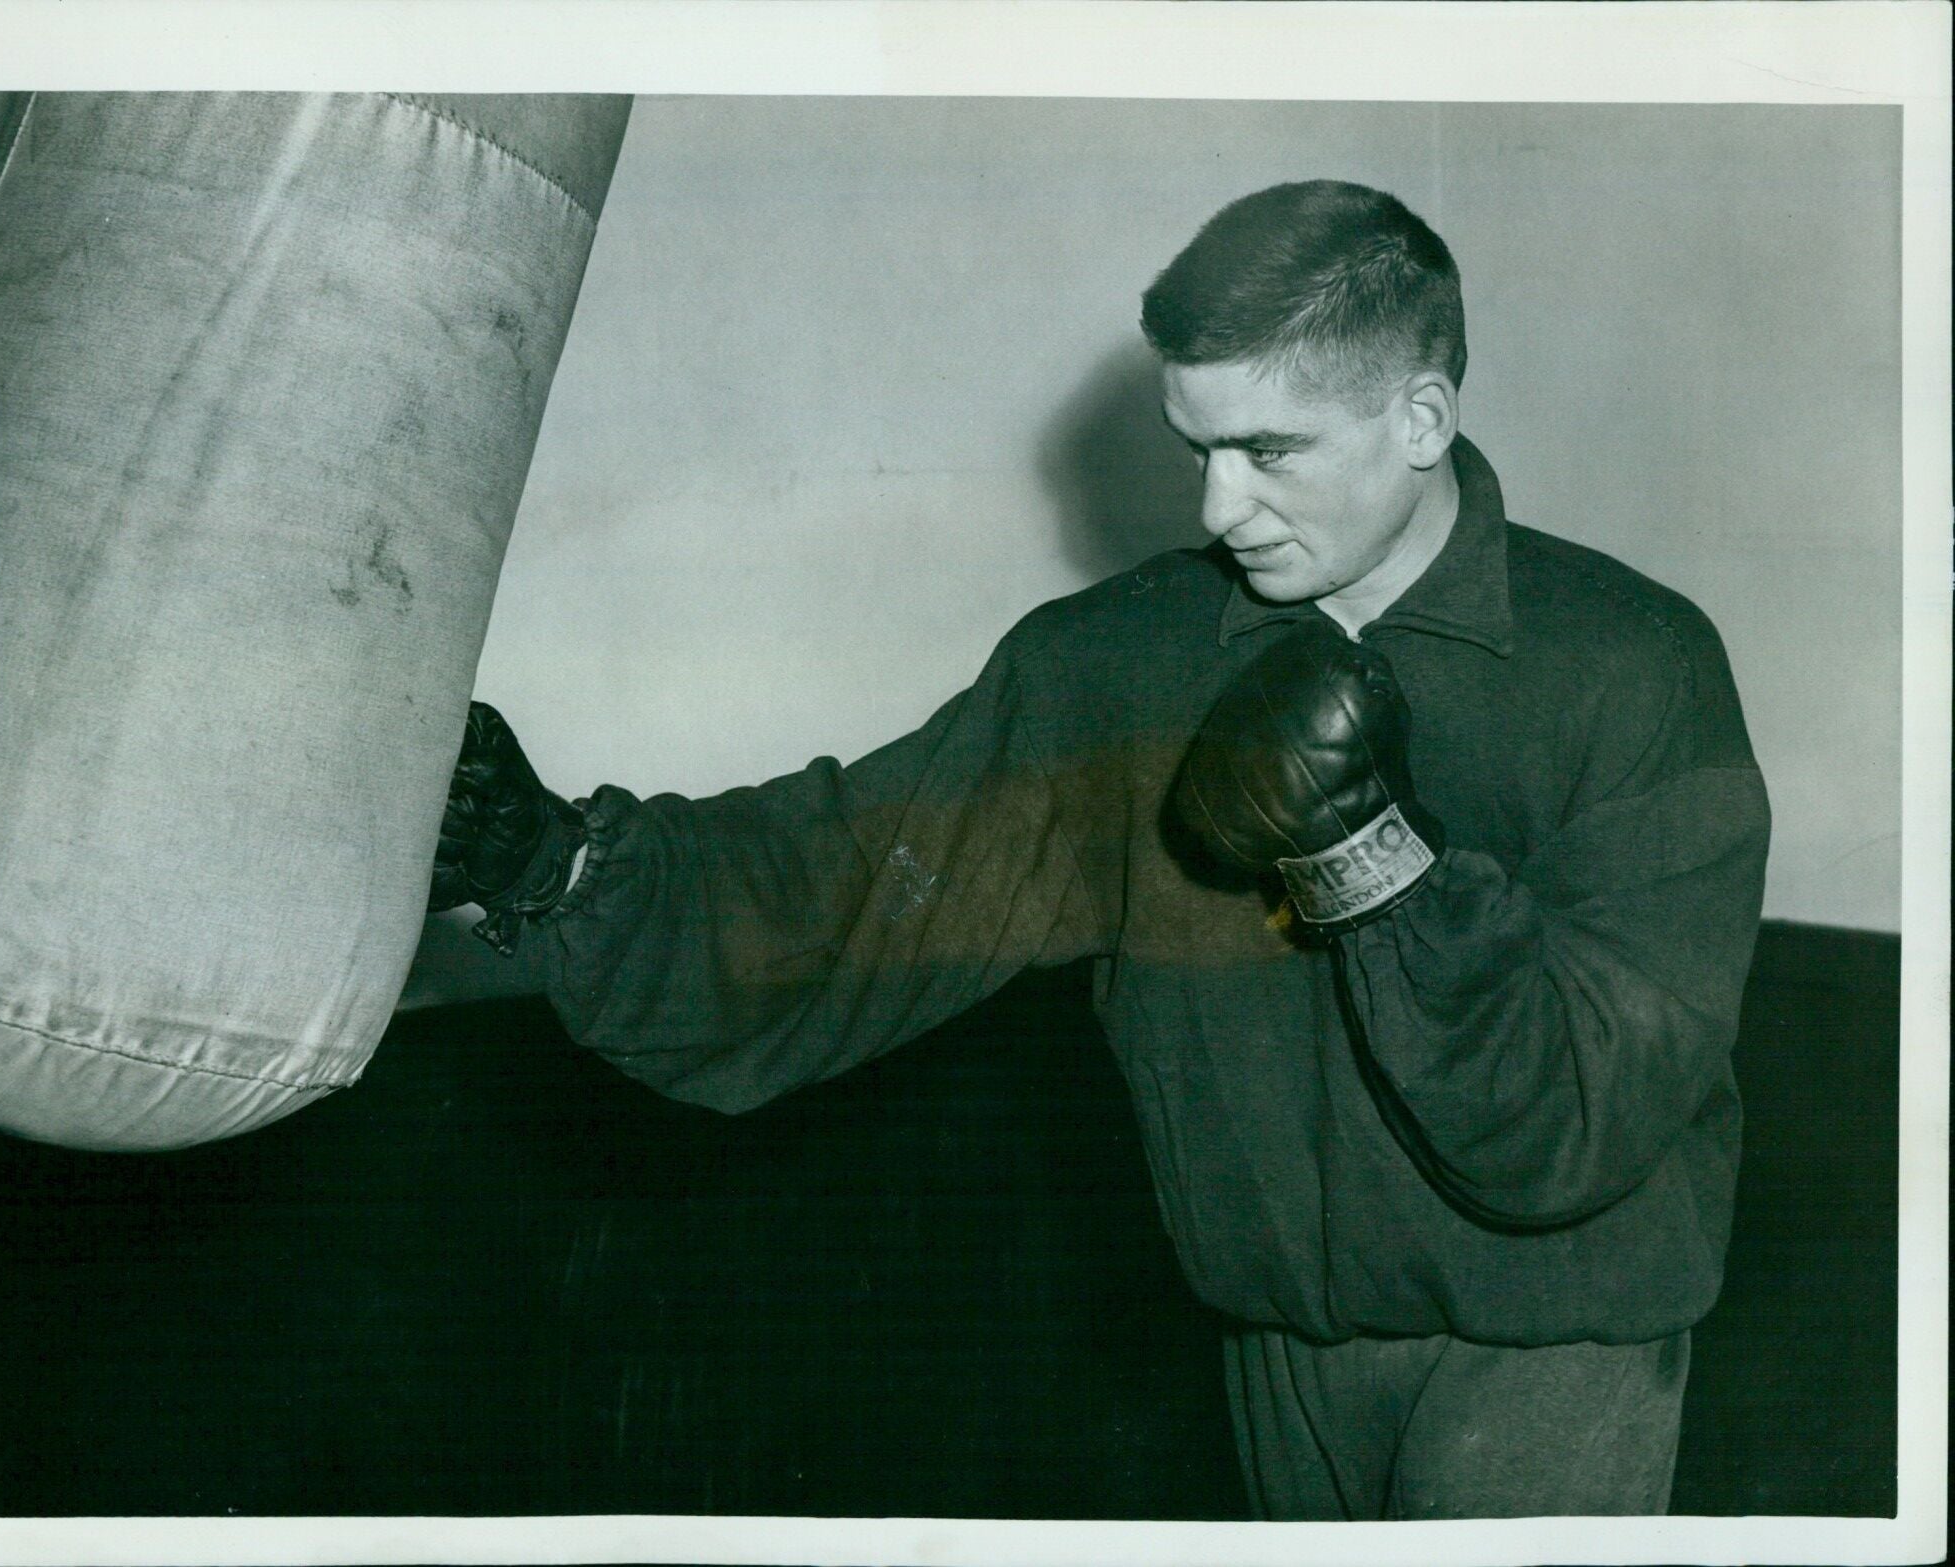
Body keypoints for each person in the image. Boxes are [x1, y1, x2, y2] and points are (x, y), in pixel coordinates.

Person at [430, 179, 1771, 1520]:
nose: (1221, 507)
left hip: (1556, 1354)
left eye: (1269, 451)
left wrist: (1369, 852)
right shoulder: (1122, 663)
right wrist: (562, 872)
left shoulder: (1631, 663)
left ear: (1418, 418)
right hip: (1278, 1346)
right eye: (1199, 451)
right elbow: (860, 889)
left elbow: (1586, 1117)